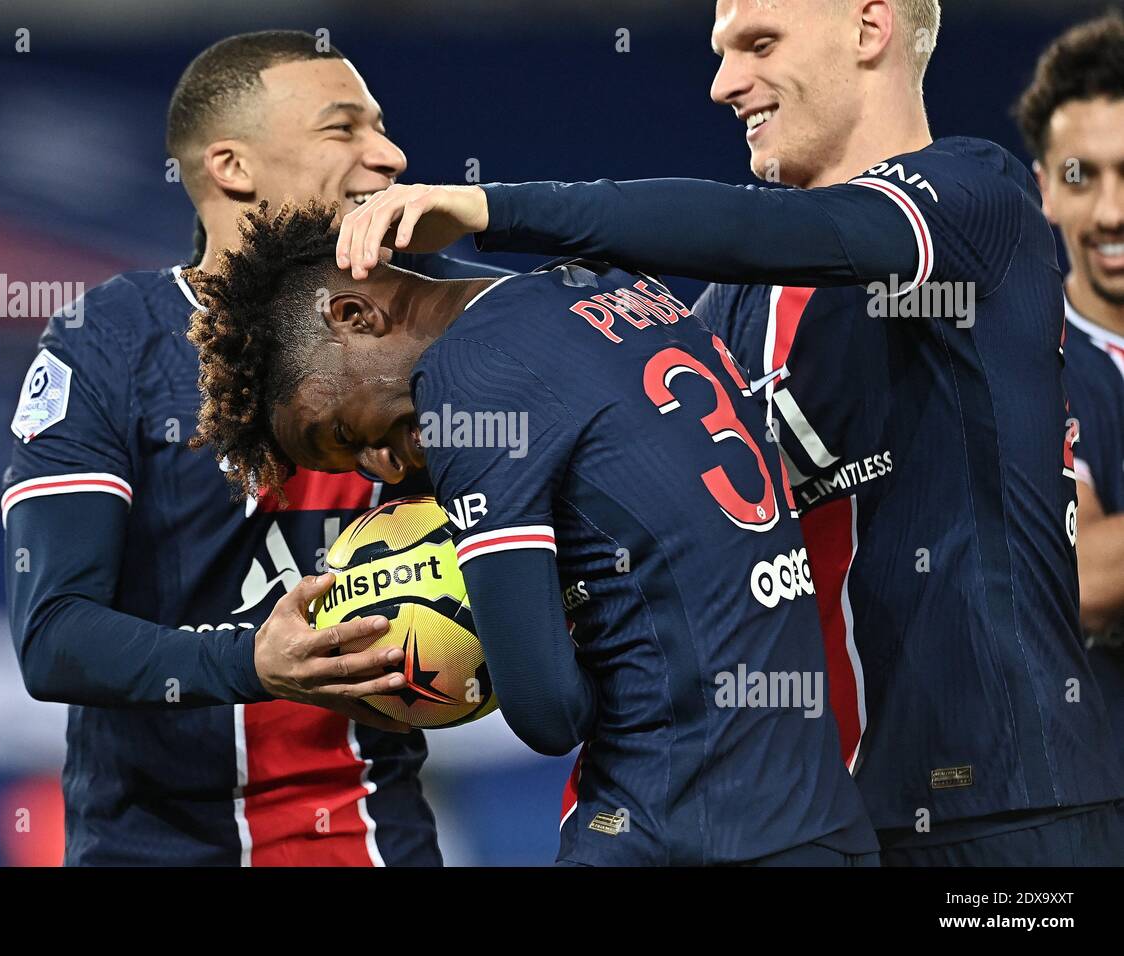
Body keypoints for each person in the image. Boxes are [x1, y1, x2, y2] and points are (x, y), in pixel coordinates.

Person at [331, 0, 1124, 864]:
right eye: (719, 53)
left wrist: (494, 205)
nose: (722, 84)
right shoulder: (726, 318)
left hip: (1007, 811)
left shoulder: (979, 196)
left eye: (758, 44)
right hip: (822, 823)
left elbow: (798, 231)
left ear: (870, 28)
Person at [186, 199, 879, 866]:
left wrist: (461, 649)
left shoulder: (469, 378)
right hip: (821, 819)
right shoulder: (617, 286)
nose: (389, 464)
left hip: (673, 823)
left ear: (353, 315)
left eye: (343, 432)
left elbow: (548, 713)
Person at [2, 30, 503, 866]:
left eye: (381, 126)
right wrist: (253, 663)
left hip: (375, 837)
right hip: (151, 846)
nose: (390, 154)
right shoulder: (109, 340)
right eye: (344, 129)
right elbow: (53, 635)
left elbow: (609, 328)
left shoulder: (445, 313)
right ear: (232, 167)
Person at [1018, 12, 1124, 750]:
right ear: (1045, 191)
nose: (1111, 211)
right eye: (1081, 177)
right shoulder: (1029, 355)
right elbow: (1082, 578)